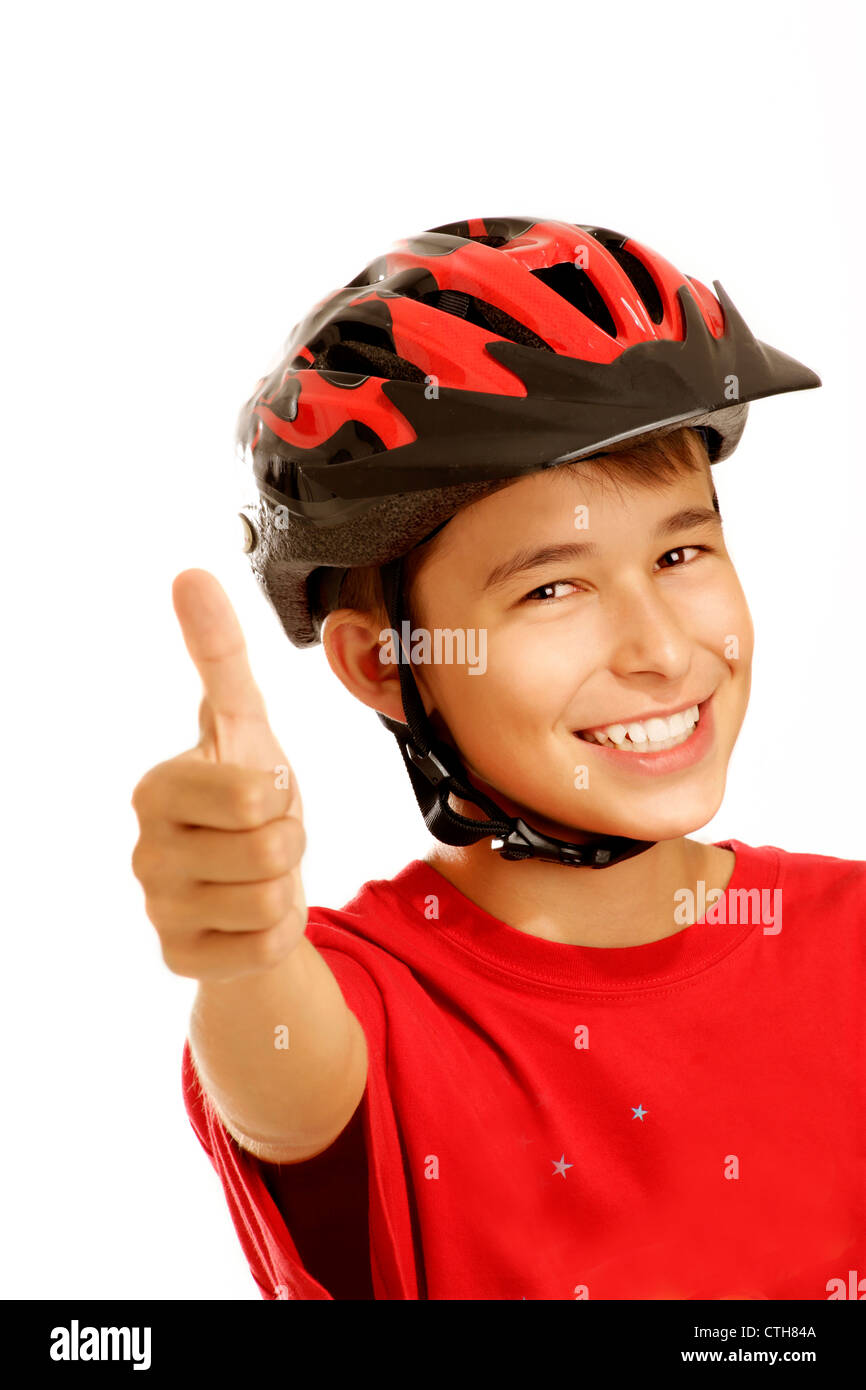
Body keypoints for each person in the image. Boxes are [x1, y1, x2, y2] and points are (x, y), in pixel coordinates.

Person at [131, 217, 865, 1300]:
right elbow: (281, 1086)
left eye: (678, 552)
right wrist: (241, 952)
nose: (661, 651)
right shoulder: (368, 994)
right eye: (551, 589)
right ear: (387, 665)